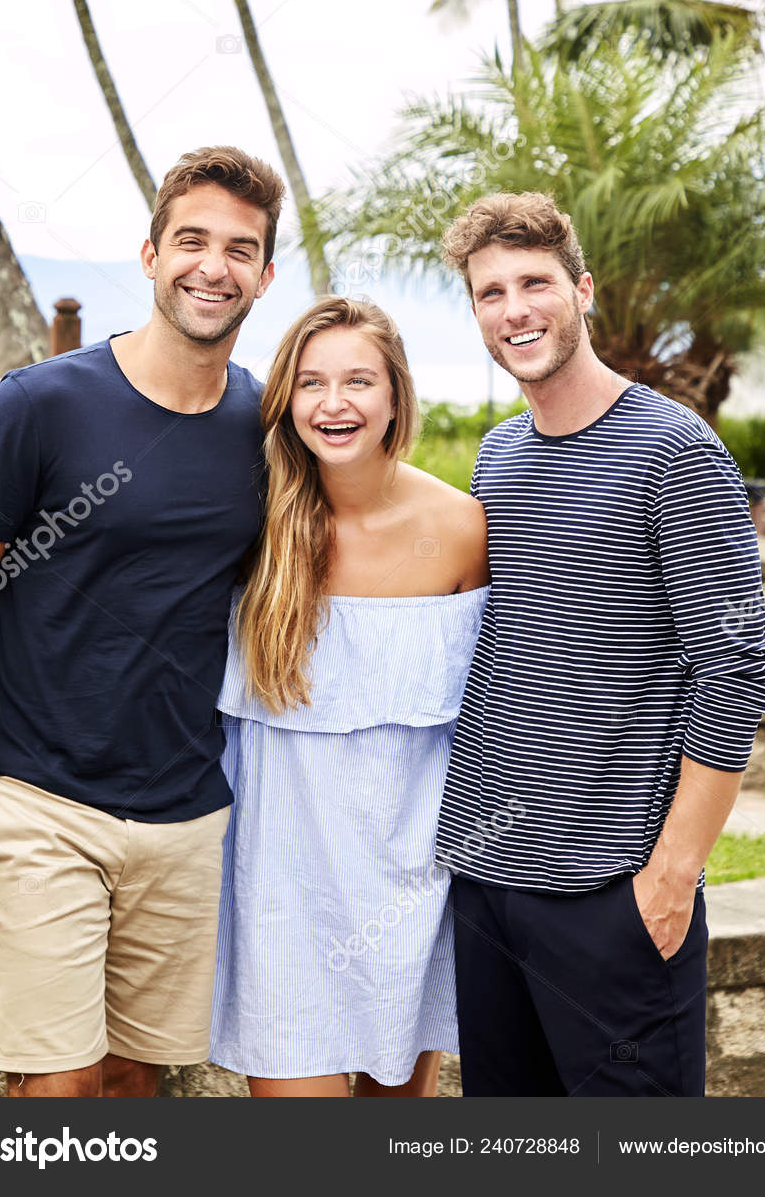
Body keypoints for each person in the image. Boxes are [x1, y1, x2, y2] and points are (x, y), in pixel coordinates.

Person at [0, 146, 282, 1099]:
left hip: (187, 808)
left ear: (265, 276)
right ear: (149, 254)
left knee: (135, 1083)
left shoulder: (268, 426)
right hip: (39, 798)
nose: (212, 267)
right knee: (56, 1093)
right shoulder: (42, 406)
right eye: (191, 240)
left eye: (240, 249)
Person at [435, 191, 765, 1098]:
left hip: (612, 894)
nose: (514, 309)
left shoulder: (672, 450)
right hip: (489, 882)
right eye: (489, 292)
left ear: (580, 290)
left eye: (534, 283)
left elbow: (736, 667)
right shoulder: (495, 457)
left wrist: (670, 877)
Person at [209, 296, 489, 1097]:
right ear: (284, 401)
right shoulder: (251, 522)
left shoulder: (461, 528)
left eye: (358, 381)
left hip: (411, 883)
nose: (334, 404)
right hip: (280, 888)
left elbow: (484, 716)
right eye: (310, 383)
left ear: (395, 394)